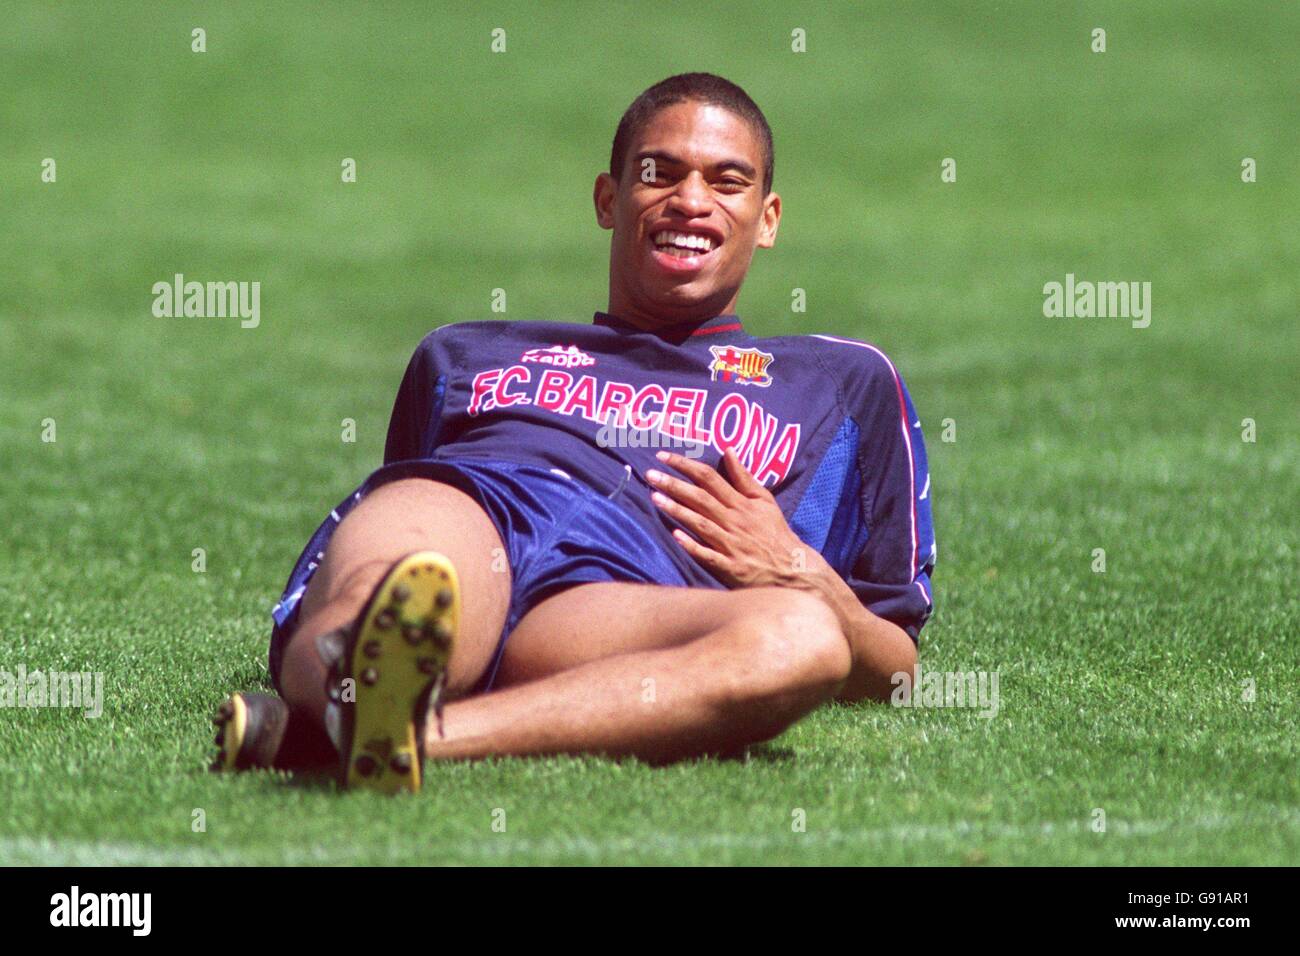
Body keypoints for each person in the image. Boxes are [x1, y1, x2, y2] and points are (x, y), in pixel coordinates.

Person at [212, 73, 936, 794]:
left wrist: (801, 574)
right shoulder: (464, 352)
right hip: (481, 512)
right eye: (659, 173)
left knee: (802, 640)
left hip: (618, 597)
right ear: (607, 199)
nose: (690, 200)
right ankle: (354, 681)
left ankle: (389, 738)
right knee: (396, 577)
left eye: (728, 181)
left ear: (769, 217)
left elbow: (895, 665)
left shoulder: (841, 382)